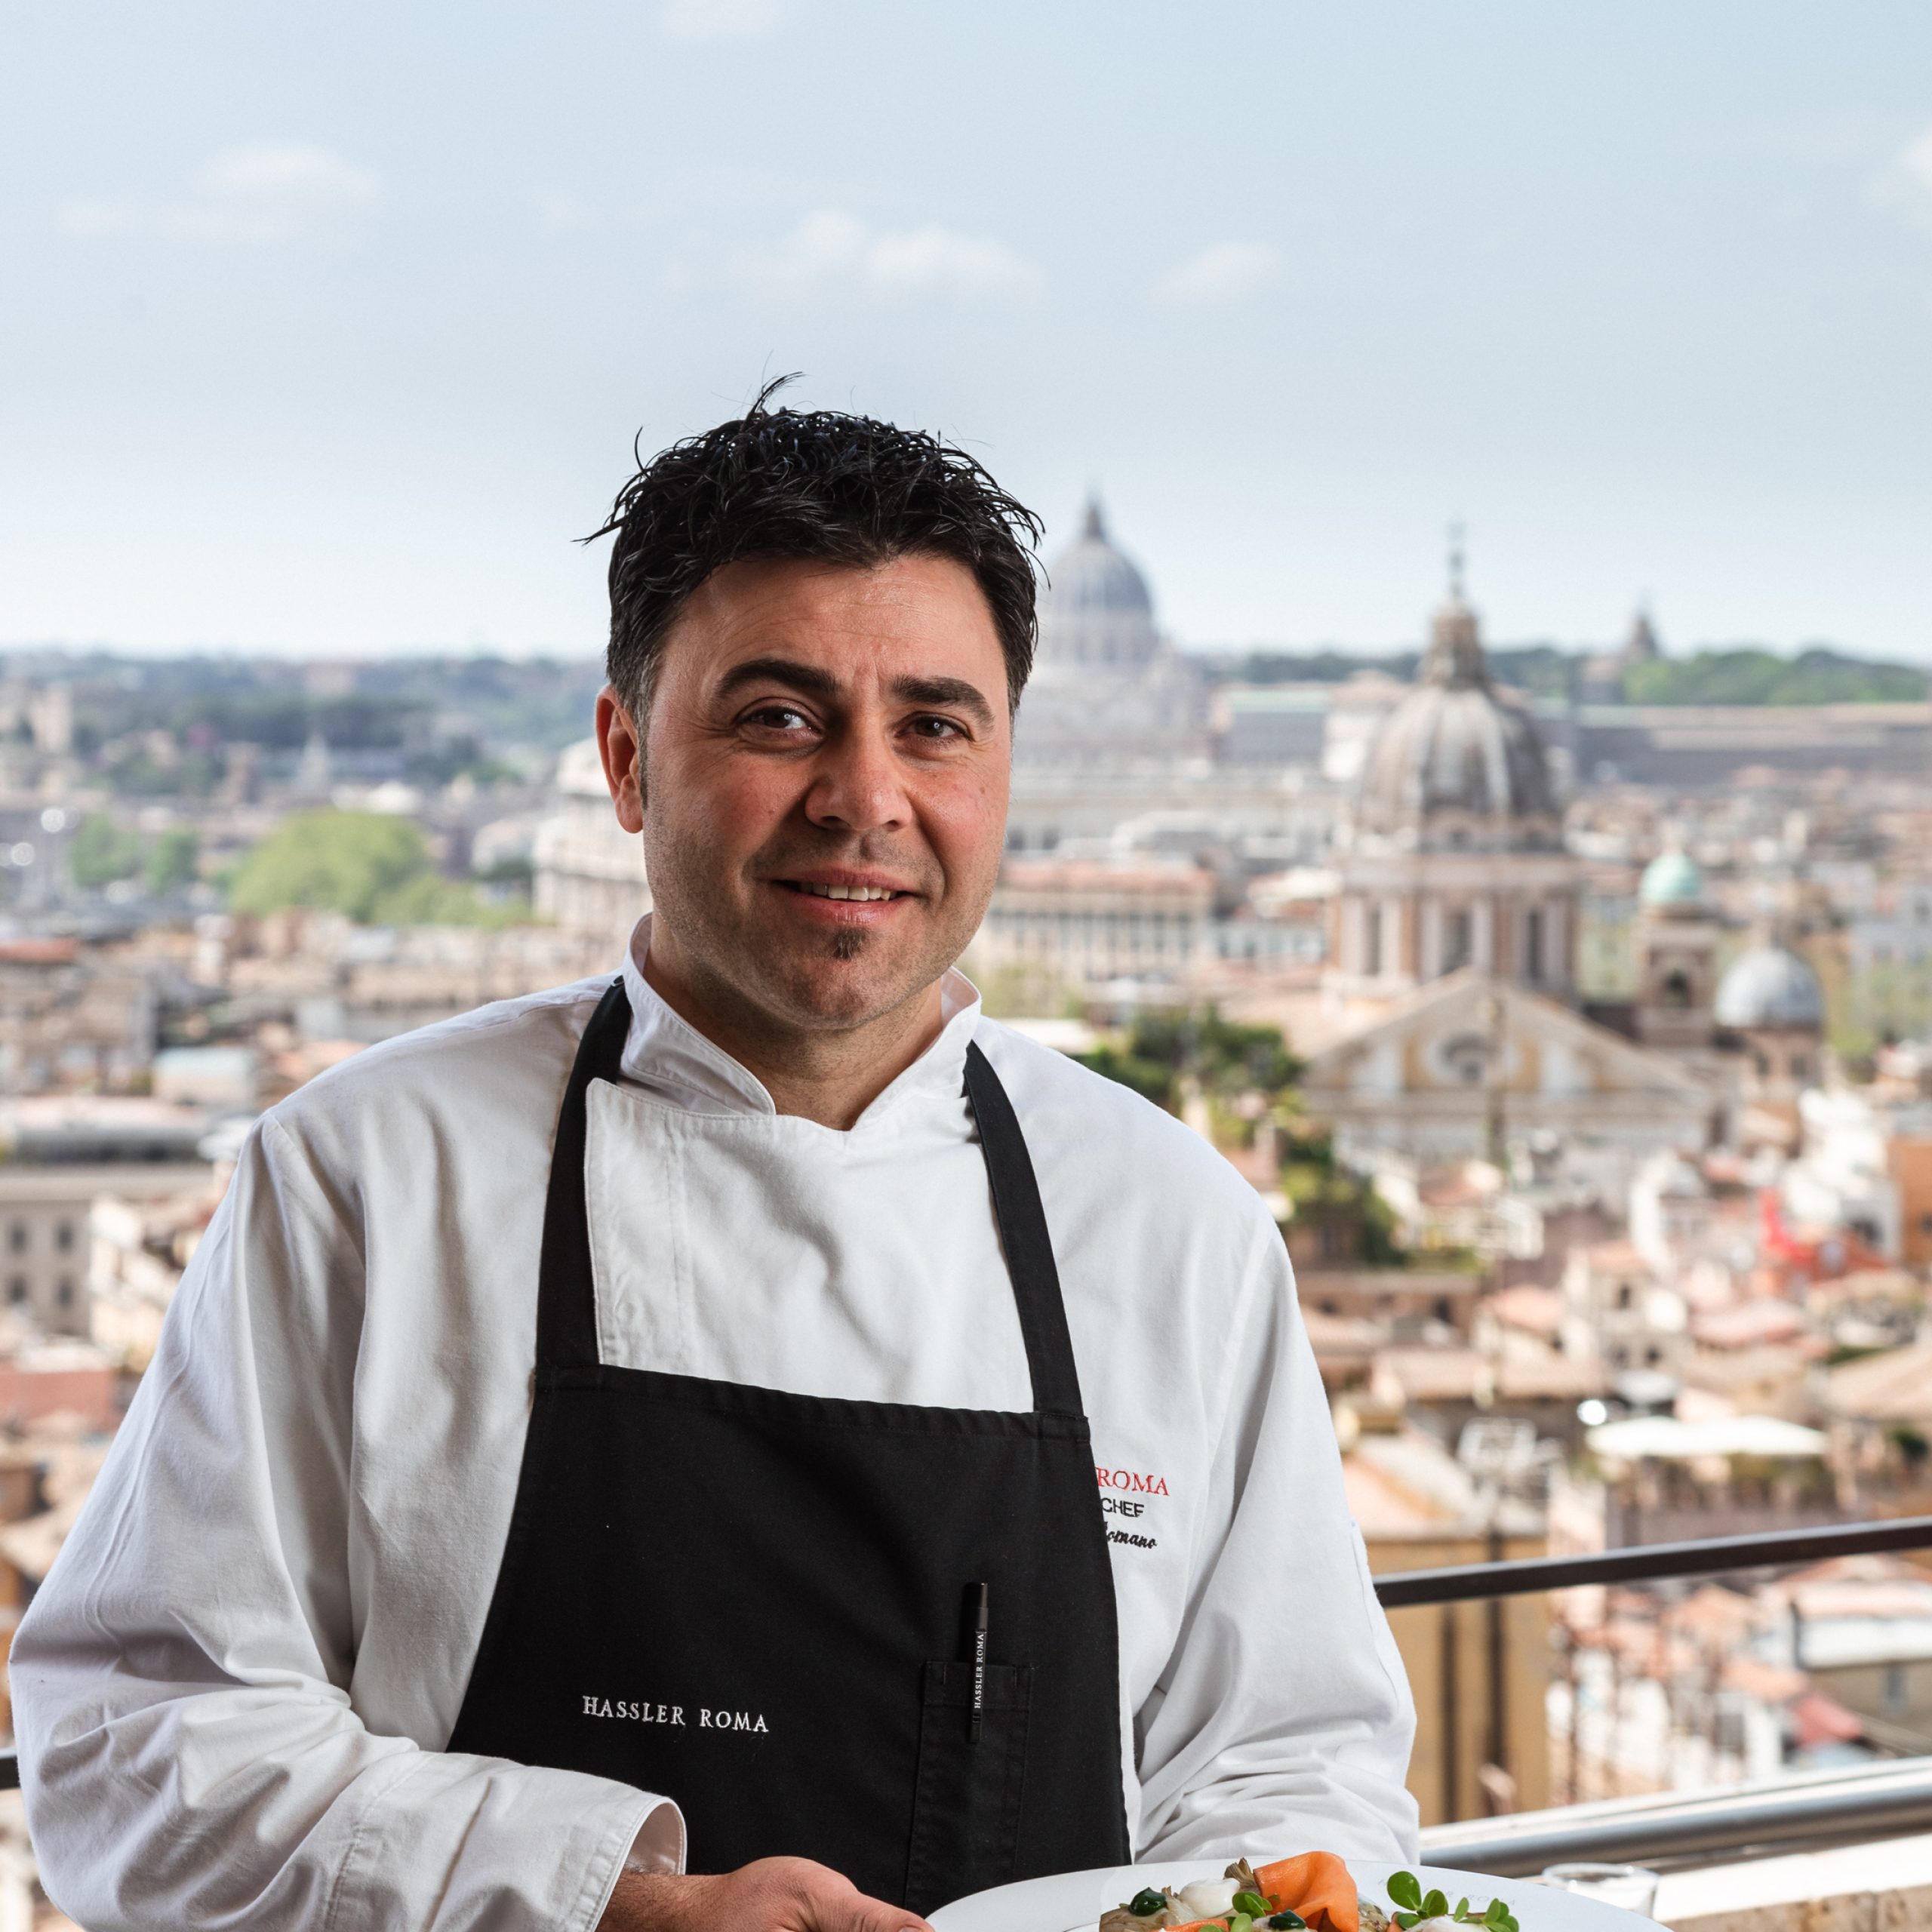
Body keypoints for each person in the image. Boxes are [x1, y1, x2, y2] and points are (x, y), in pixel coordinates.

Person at [11, 386, 1417, 1932]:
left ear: (1006, 768)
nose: (863, 798)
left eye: (933, 727)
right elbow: (137, 1752)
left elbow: (1294, 1771)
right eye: (778, 717)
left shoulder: (1175, 1225)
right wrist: (596, 1897)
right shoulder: (361, 1176)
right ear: (624, 762)